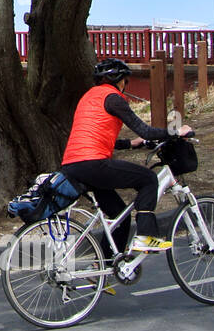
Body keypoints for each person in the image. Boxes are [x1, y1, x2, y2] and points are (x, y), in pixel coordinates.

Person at [60, 59, 192, 255]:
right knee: (148, 179)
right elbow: (145, 131)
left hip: (73, 165)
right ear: (119, 80)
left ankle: (104, 268)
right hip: (93, 163)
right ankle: (145, 236)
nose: (125, 85)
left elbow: (95, 135)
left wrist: (130, 143)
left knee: (120, 216)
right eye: (125, 81)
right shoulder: (113, 98)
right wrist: (176, 132)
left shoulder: (88, 98)